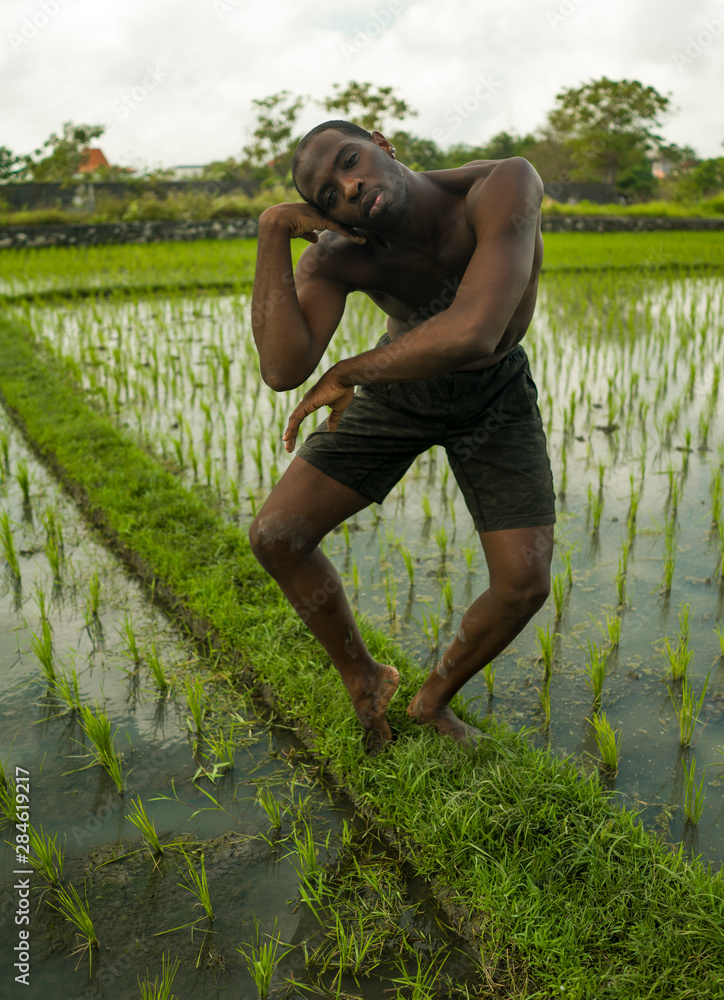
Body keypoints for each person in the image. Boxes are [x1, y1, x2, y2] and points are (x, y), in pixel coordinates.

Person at [248, 120, 555, 752]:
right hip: (401, 388)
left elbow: (475, 331)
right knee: (277, 537)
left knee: (523, 584)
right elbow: (282, 368)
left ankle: (431, 700)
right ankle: (364, 677)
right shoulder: (341, 254)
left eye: (350, 161)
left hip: (491, 394)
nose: (348, 188)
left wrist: (345, 372)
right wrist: (273, 230)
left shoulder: (503, 184)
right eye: (327, 196)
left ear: (383, 145)